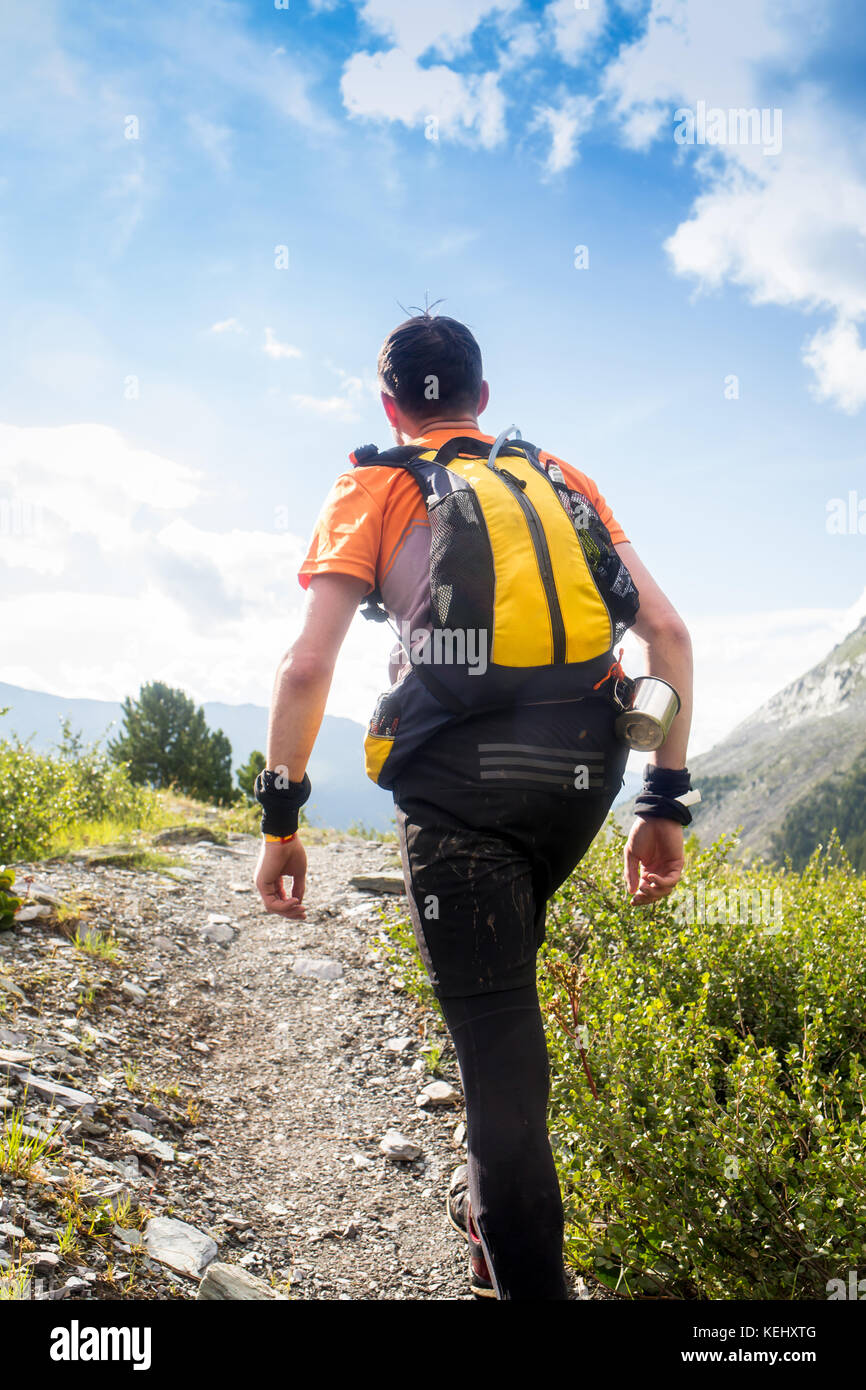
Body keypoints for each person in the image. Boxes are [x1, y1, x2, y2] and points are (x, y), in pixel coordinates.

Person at [253, 312, 694, 1301]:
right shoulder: (558, 476)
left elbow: (304, 666)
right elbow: (665, 630)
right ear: (480, 399)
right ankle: (485, 1207)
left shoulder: (373, 483)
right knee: (501, 1005)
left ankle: (520, 1264)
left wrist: (282, 823)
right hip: (583, 781)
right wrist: (662, 801)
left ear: (389, 404)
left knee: (500, 1066)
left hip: (458, 796)